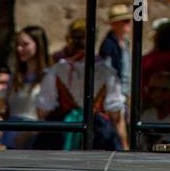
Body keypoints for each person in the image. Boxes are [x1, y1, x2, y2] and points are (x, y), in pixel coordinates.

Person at [36, 19, 127, 150]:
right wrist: (124, 145)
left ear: (70, 39)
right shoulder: (106, 71)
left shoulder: (56, 70)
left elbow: (43, 110)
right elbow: (116, 115)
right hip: (98, 133)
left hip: (63, 132)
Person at [7, 25, 50, 149]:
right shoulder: (15, 78)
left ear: (38, 45)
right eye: (18, 44)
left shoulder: (48, 77)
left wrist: (25, 136)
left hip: (32, 139)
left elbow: (45, 115)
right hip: (9, 136)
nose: (19, 48)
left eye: (25, 44)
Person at [98, 4, 132, 97]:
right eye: (125, 21)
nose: (128, 23)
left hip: (126, 92)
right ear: (115, 24)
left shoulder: (126, 42)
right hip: (115, 95)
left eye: (128, 20)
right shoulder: (108, 45)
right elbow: (107, 73)